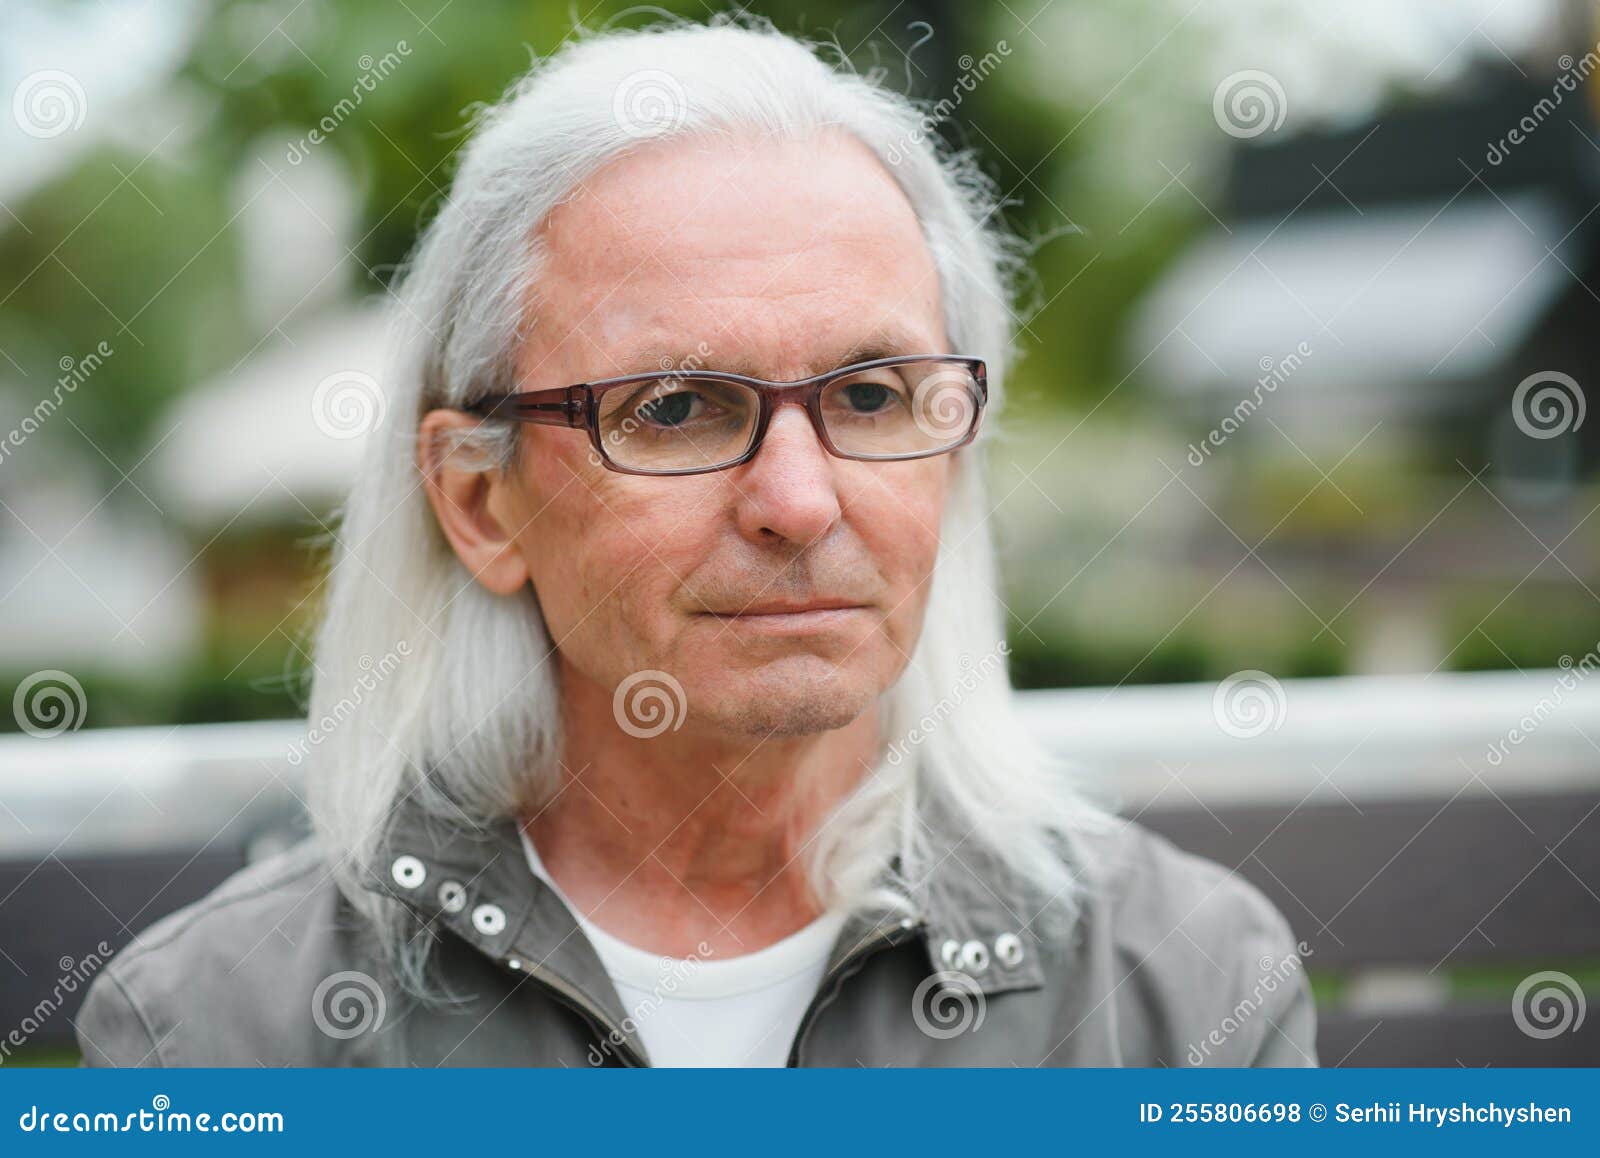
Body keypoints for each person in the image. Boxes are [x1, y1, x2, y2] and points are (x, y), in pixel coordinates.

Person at [75, 17, 1315, 1068]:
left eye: (873, 396)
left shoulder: (1185, 991)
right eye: (672, 409)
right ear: (479, 503)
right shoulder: (216, 1035)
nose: (800, 500)